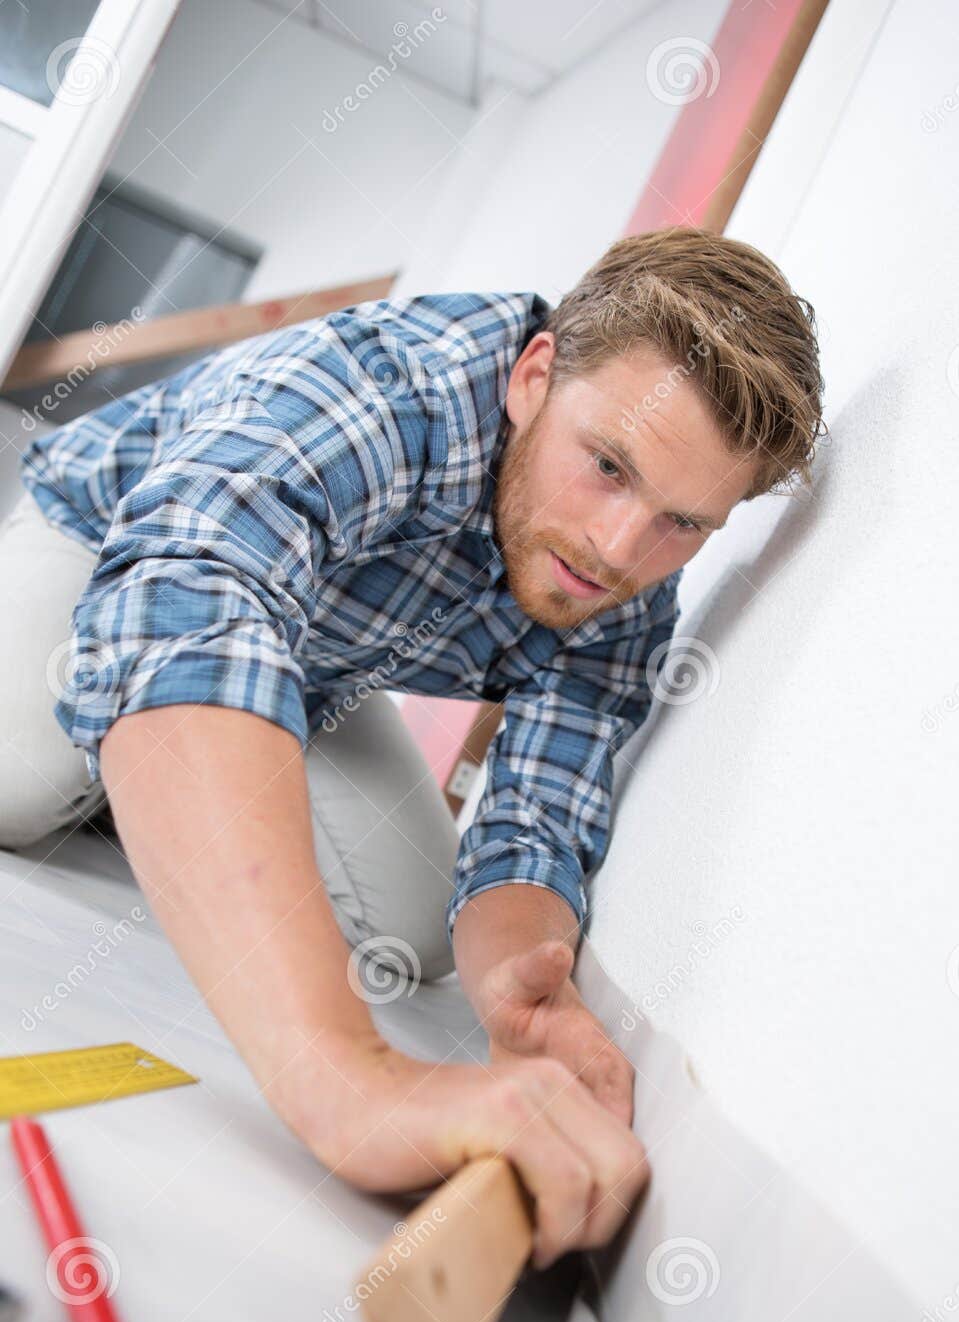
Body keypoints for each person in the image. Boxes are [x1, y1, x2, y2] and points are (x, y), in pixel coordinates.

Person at [0, 226, 824, 1266]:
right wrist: (348, 1079)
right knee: (16, 791)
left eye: (680, 523)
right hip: (106, 552)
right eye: (606, 467)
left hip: (309, 666)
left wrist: (525, 992)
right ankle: (142, 762)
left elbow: (534, 819)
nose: (616, 552)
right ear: (533, 377)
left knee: (413, 937)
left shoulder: (624, 595)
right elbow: (188, 605)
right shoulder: (387, 391)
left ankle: (169, 779)